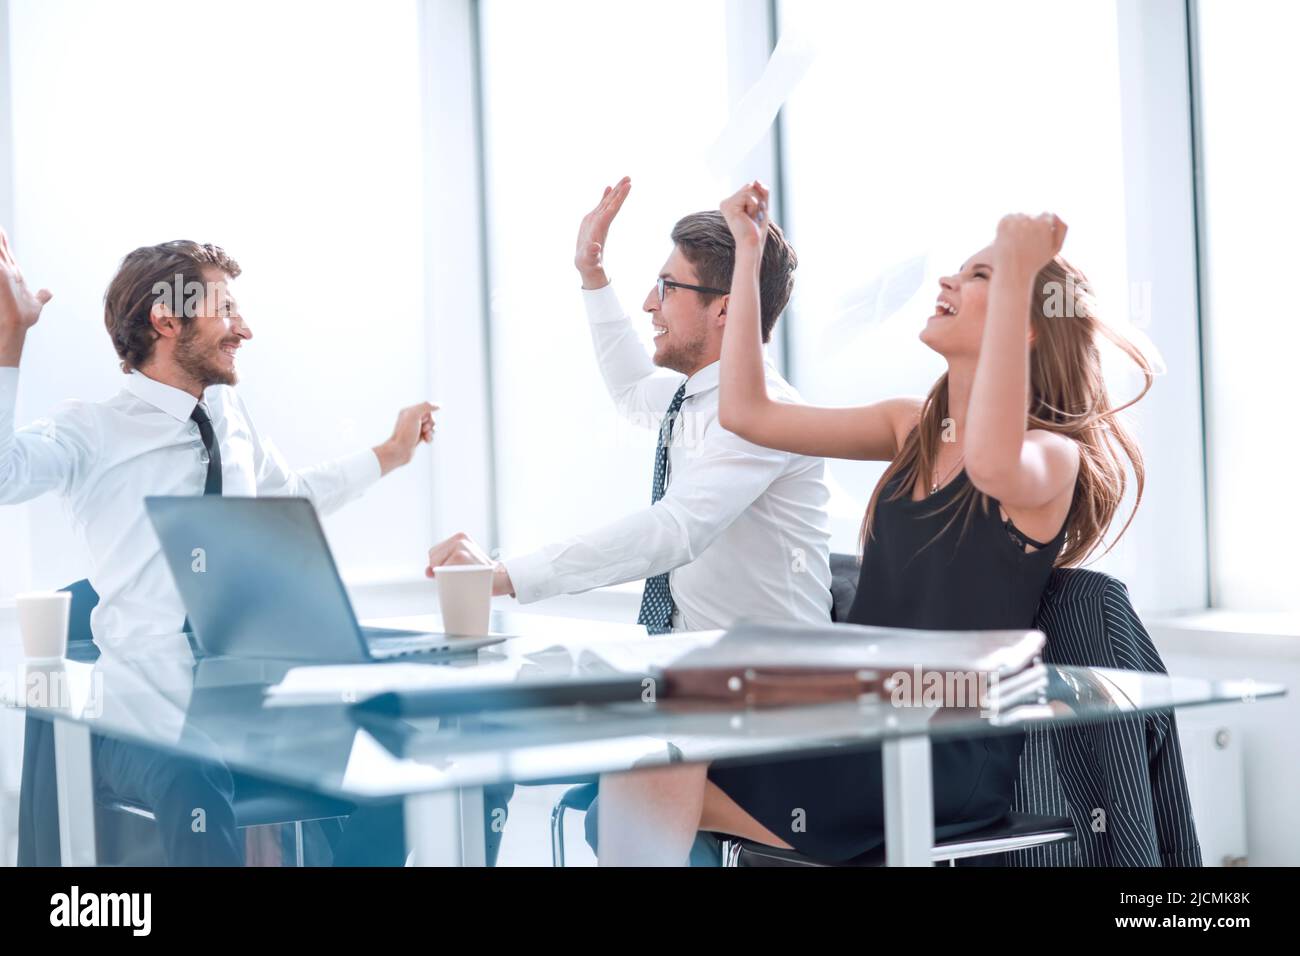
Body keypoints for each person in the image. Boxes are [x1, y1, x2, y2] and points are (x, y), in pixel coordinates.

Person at [594, 181, 1153, 866]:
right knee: (651, 758)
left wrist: (1017, 276)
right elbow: (746, 412)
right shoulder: (910, 426)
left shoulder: (1050, 457)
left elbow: (990, 463)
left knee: (657, 766)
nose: (948, 280)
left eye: (982, 276)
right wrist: (747, 254)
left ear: (1024, 325)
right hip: (859, 726)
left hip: (938, 754)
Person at [424, 178, 833, 864]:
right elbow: (629, 387)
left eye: (667, 287)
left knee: (606, 786)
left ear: (724, 308)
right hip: (693, 676)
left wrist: (505, 575)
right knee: (494, 725)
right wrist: (592, 273)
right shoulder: (692, 401)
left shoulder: (764, 417)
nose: (650, 302)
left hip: (766, 697)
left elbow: (675, 531)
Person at [1, 231, 434, 864]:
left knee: (402, 753)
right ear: (166, 319)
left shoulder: (229, 413)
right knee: (193, 773)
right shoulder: (91, 430)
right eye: (226, 310)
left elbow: (289, 500)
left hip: (246, 701)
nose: (245, 329)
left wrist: (390, 455)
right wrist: (9, 341)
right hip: (140, 713)